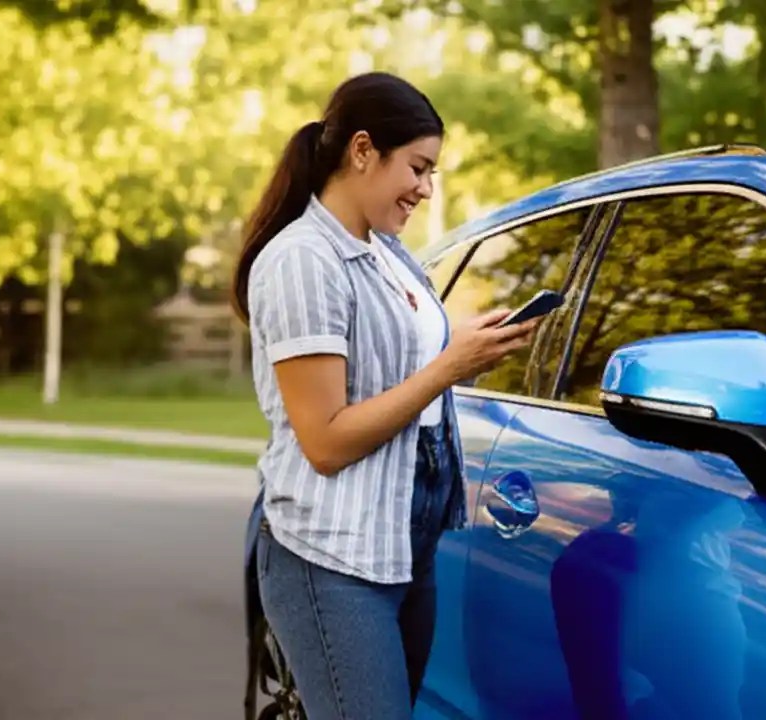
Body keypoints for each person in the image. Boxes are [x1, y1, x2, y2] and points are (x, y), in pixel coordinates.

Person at [233, 72, 538, 719]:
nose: (427, 189)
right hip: (332, 556)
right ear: (363, 150)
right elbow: (325, 439)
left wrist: (470, 344)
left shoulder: (389, 254)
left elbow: (398, 364)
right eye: (418, 168)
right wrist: (447, 368)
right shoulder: (302, 262)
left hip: (404, 547)